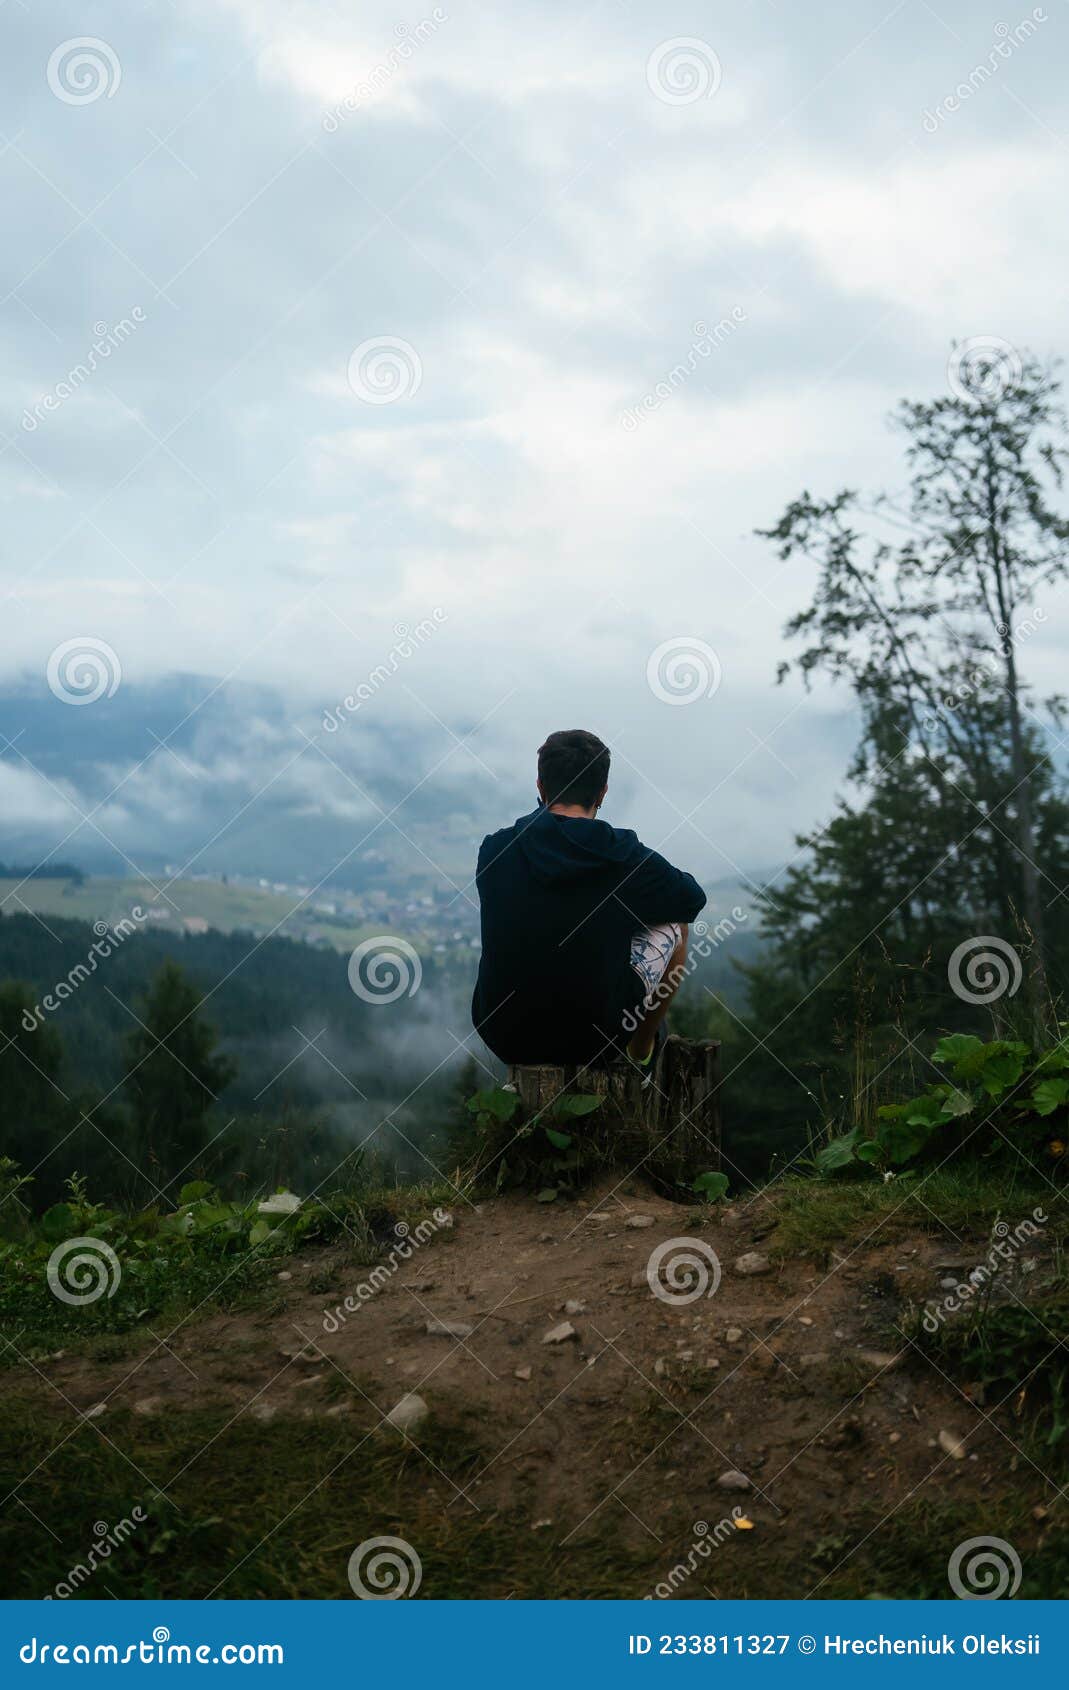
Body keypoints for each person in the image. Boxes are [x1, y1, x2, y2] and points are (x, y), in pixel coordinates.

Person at [471, 728, 707, 1074]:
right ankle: (641, 1051)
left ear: (540, 785)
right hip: (594, 1040)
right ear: (603, 791)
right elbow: (691, 900)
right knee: (676, 926)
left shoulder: (495, 849)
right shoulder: (622, 856)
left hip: (502, 1033)